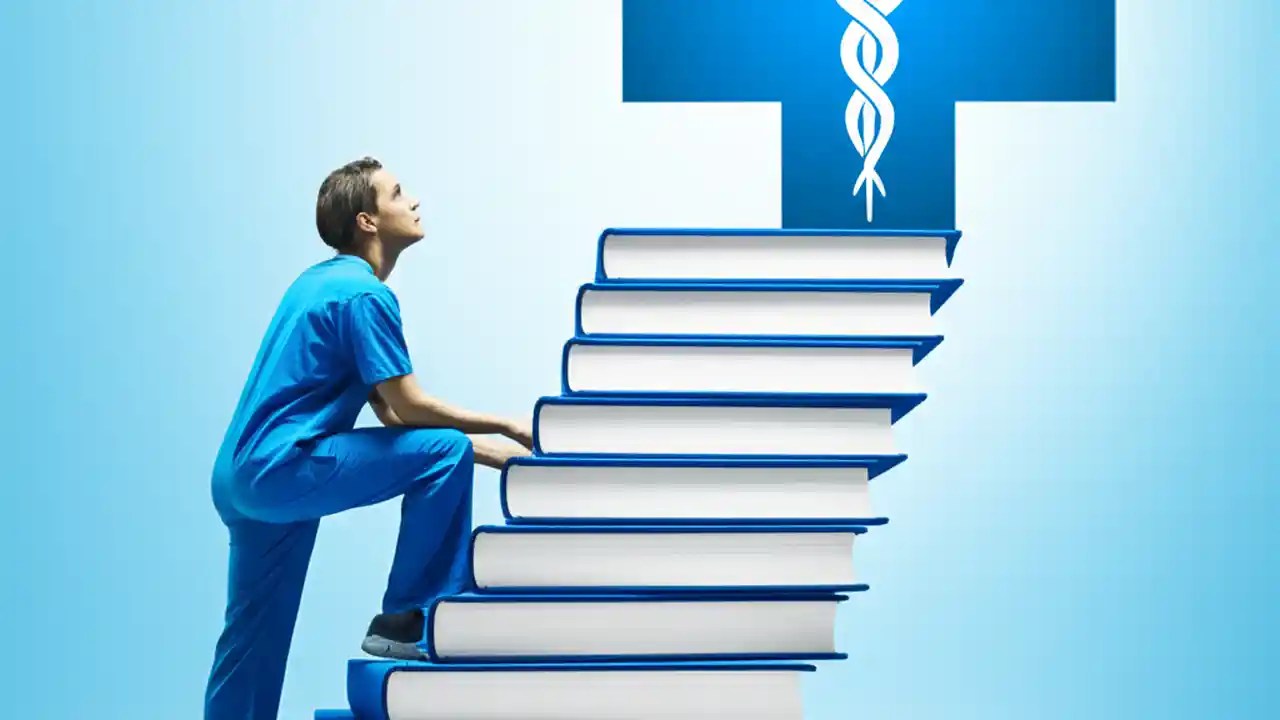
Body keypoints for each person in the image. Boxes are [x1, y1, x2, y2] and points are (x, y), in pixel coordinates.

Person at [203, 157, 533, 719]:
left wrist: (493, 457)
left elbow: (395, 423)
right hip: (287, 466)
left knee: (252, 639)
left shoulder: (318, 282)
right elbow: (409, 406)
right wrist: (504, 422)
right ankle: (405, 618)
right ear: (367, 221)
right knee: (445, 450)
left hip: (242, 477)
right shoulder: (367, 297)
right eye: (398, 194)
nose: (413, 201)